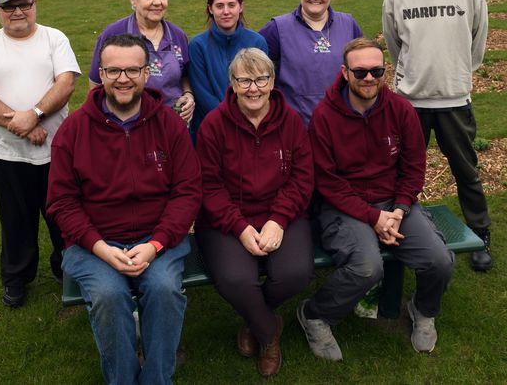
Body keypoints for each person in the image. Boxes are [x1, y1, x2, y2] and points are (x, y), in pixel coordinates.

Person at [47, 34, 202, 385]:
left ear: (147, 73)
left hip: (158, 238)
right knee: (108, 295)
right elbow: (61, 202)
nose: (123, 78)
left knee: (163, 289)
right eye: (113, 70)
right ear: (100, 74)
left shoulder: (169, 124)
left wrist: (156, 244)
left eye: (132, 69)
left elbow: (188, 192)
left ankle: (157, 379)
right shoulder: (73, 131)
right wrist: (101, 248)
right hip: (94, 243)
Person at [298, 38, 455, 359]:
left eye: (376, 71)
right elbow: (327, 182)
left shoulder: (401, 110)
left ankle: (423, 310)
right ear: (344, 73)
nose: (368, 78)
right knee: (367, 267)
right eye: (360, 72)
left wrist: (398, 209)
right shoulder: (325, 117)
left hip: (394, 204)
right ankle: (315, 314)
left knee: (439, 260)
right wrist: (373, 218)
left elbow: (413, 170)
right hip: (344, 207)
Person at [195, 48, 313, 377]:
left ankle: (252, 318)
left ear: (273, 82)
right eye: (244, 80)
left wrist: (278, 220)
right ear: (232, 84)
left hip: (282, 214)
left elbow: (302, 178)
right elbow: (209, 186)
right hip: (226, 219)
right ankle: (267, 332)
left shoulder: (290, 121)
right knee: (235, 279)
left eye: (261, 79)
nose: (254, 88)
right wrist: (240, 227)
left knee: (295, 273)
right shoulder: (214, 126)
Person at [381, 0, 493, 271]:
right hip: (411, 102)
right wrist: (413, 74)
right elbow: (394, 45)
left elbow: (477, 41)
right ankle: (395, 232)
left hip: (454, 101)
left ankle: (480, 234)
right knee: (400, 172)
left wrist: (457, 73)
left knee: (466, 171)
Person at [0, 0, 81, 308]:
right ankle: (16, 277)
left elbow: (66, 84)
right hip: (8, 155)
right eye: (9, 6)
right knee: (15, 220)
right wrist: (24, 123)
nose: (18, 12)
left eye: (24, 4)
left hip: (57, 152)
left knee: (64, 217)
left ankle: (68, 269)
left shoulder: (53, 38)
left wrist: (37, 113)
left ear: (35, 4)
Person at [88, 0, 195, 125]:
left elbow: (184, 74)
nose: (157, 2)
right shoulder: (113, 33)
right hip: (128, 125)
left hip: (172, 123)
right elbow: (96, 83)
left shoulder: (178, 35)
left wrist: (188, 94)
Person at [259, 0, 362, 127]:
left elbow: (365, 71)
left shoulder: (349, 25)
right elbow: (253, 70)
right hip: (294, 128)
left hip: (341, 125)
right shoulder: (277, 29)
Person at [188, 0, 268, 138]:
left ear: (241, 7)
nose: (226, 11)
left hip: (248, 128)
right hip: (210, 130)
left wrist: (243, 121)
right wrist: (229, 121)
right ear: (210, 9)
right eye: (219, 6)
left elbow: (261, 87)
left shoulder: (257, 42)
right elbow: (202, 93)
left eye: (231, 5)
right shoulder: (198, 45)